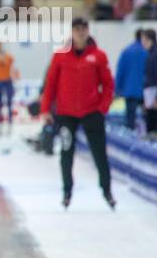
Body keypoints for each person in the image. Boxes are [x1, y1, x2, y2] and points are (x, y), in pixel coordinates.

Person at [40, 18, 116, 209]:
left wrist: (102, 107)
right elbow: (50, 85)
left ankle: (106, 189)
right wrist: (45, 109)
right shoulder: (60, 56)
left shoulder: (98, 56)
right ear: (72, 32)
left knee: (99, 153)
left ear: (88, 31)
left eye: (83, 29)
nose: (80, 33)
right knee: (66, 153)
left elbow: (108, 84)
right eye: (77, 29)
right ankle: (67, 191)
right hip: (66, 113)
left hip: (92, 112)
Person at [114, 29, 147, 130]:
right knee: (147, 118)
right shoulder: (147, 51)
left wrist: (117, 89)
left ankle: (130, 140)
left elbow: (120, 71)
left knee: (130, 121)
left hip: (130, 90)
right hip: (145, 90)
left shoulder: (127, 51)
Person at [0, 40, 20, 135]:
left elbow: (14, 68)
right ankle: (0, 126)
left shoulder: (9, 57)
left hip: (8, 81)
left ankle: (9, 126)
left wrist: (16, 81)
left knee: (10, 104)